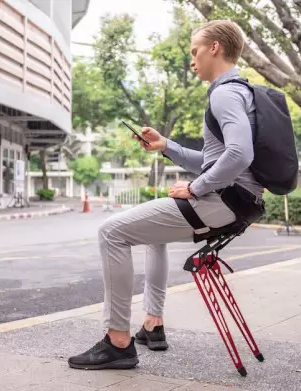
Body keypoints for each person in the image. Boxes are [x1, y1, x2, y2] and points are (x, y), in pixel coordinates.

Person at [67, 19, 263, 370]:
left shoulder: (224, 93)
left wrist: (195, 188)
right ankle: (152, 325)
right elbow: (213, 159)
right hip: (237, 203)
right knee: (149, 234)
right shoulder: (241, 91)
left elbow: (240, 155)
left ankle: (117, 341)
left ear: (214, 47)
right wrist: (165, 145)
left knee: (110, 232)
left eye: (195, 51)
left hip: (221, 201)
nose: (192, 60)